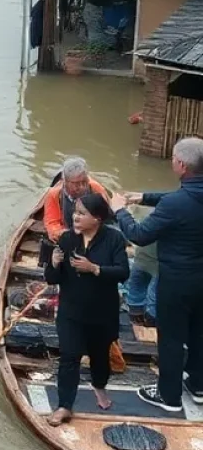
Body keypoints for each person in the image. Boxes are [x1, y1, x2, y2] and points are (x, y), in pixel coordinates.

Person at [112, 136, 203, 412]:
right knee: (200, 331)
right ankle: (198, 386)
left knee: (171, 336)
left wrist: (120, 211)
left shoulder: (176, 205)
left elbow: (139, 235)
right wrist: (144, 196)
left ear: (181, 165)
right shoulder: (181, 199)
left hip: (178, 281)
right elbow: (183, 197)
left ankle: (169, 395)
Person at [43, 192, 129, 427]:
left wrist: (94, 268)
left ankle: (99, 386)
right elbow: (52, 279)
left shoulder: (113, 239)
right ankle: (64, 405)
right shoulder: (67, 240)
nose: (75, 217)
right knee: (69, 357)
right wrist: (54, 264)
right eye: (75, 212)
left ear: (97, 218)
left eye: (82, 213)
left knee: (100, 356)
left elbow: (123, 273)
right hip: (71, 312)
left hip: (102, 313)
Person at [40, 157, 109, 265]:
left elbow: (106, 216)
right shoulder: (54, 195)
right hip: (69, 234)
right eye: (76, 184)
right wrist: (65, 234)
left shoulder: (95, 188)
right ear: (65, 181)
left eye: (84, 182)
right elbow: (52, 223)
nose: (81, 187)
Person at [126, 241, 158, 328]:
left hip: (148, 261)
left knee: (150, 301)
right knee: (152, 302)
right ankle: (148, 328)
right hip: (146, 260)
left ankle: (148, 328)